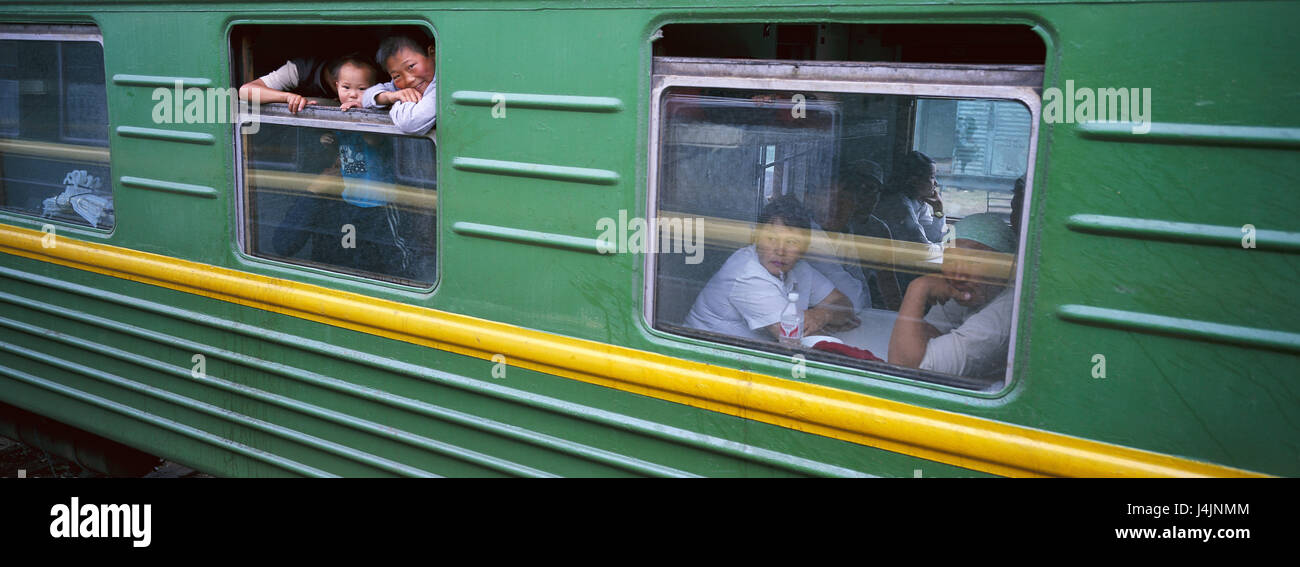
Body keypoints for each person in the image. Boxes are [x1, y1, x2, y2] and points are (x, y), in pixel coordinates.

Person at [685, 195, 859, 342]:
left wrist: (821, 316)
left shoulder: (800, 268)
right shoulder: (747, 274)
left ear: (804, 248)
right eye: (771, 238)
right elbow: (793, 337)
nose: (780, 250)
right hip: (703, 363)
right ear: (756, 238)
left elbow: (844, 305)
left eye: (791, 242)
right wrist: (828, 320)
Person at [887, 213, 1017, 378]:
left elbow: (905, 368)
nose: (958, 274)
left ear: (1006, 267)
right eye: (950, 260)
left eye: (973, 262)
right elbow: (920, 334)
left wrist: (918, 288)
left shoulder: (1006, 314)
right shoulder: (973, 288)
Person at [804, 158, 885, 313]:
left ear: (856, 203)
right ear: (810, 199)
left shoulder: (843, 234)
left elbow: (864, 296)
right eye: (827, 196)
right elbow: (854, 300)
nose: (836, 206)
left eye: (845, 197)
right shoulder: (809, 237)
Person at [362, 34, 437, 135]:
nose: (408, 80)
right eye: (396, 76)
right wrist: (390, 96)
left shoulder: (443, 85)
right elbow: (366, 98)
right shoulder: (401, 86)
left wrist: (395, 103)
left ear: (433, 53)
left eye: (411, 66)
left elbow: (409, 122)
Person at [238, 54, 340, 114]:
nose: (353, 94)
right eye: (346, 87)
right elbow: (245, 91)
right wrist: (288, 98)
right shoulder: (299, 70)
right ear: (334, 82)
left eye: (357, 88)